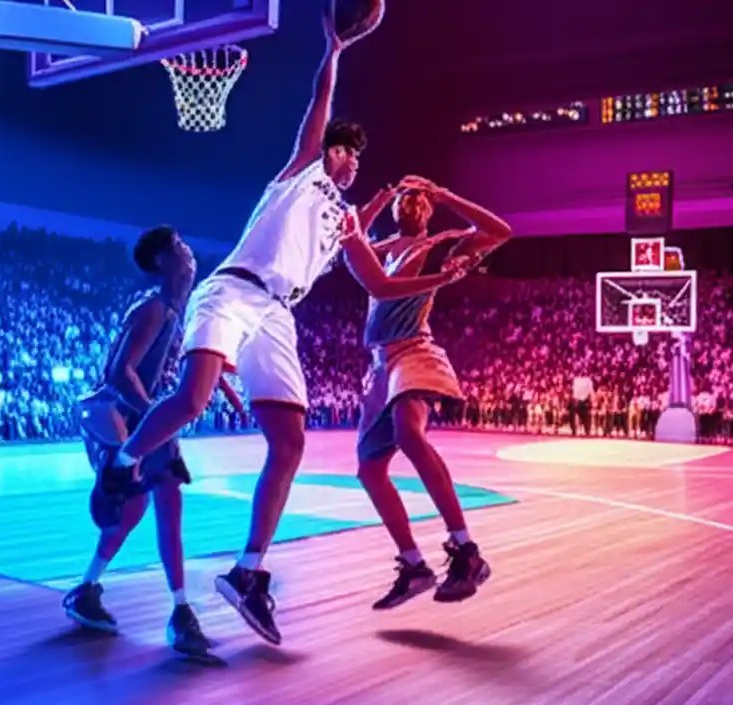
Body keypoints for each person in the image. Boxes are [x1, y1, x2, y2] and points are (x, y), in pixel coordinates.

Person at [90, 11, 464, 645]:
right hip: (235, 289)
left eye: (352, 153)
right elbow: (320, 104)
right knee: (193, 397)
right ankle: (123, 464)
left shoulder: (345, 222)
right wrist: (335, 48)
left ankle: (249, 573)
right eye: (339, 148)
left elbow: (375, 280)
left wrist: (434, 275)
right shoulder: (299, 176)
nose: (345, 157)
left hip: (277, 317)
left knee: (290, 442)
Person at [63, 225, 243, 658]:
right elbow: (120, 373)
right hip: (127, 417)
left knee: (151, 507)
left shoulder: (176, 311)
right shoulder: (155, 308)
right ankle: (178, 613)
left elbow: (171, 373)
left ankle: (92, 590)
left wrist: (221, 386)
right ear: (163, 260)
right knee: (157, 507)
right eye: (181, 246)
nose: (190, 252)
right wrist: (153, 421)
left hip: (142, 419)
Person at [352, 175, 513, 610]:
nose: (413, 201)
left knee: (409, 432)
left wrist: (447, 195)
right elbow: (343, 241)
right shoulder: (380, 250)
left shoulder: (440, 244)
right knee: (369, 471)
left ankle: (466, 550)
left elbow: (500, 231)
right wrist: (377, 197)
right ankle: (413, 565)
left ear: (431, 208)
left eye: (422, 197)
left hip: (415, 353)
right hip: (380, 366)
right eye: (406, 196)